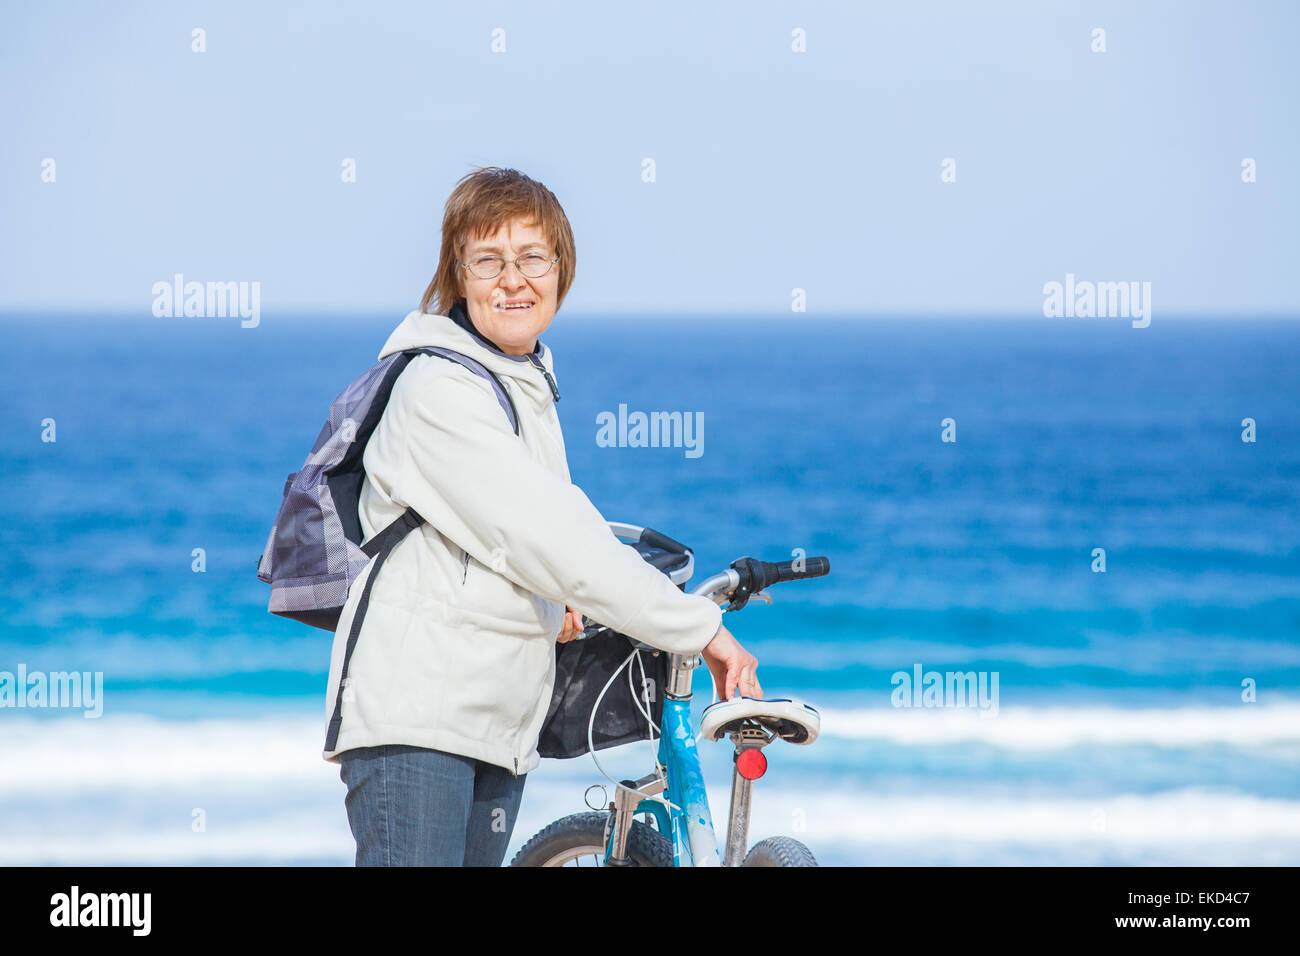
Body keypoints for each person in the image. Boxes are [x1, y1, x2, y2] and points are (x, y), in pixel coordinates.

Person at [323, 166, 762, 866]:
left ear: (562, 271)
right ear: (457, 276)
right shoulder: (439, 387)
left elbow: (518, 541)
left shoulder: (521, 381)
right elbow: (555, 537)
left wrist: (553, 596)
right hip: (419, 724)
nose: (513, 279)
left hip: (493, 724)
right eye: (488, 260)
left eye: (532, 258)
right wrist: (699, 629)